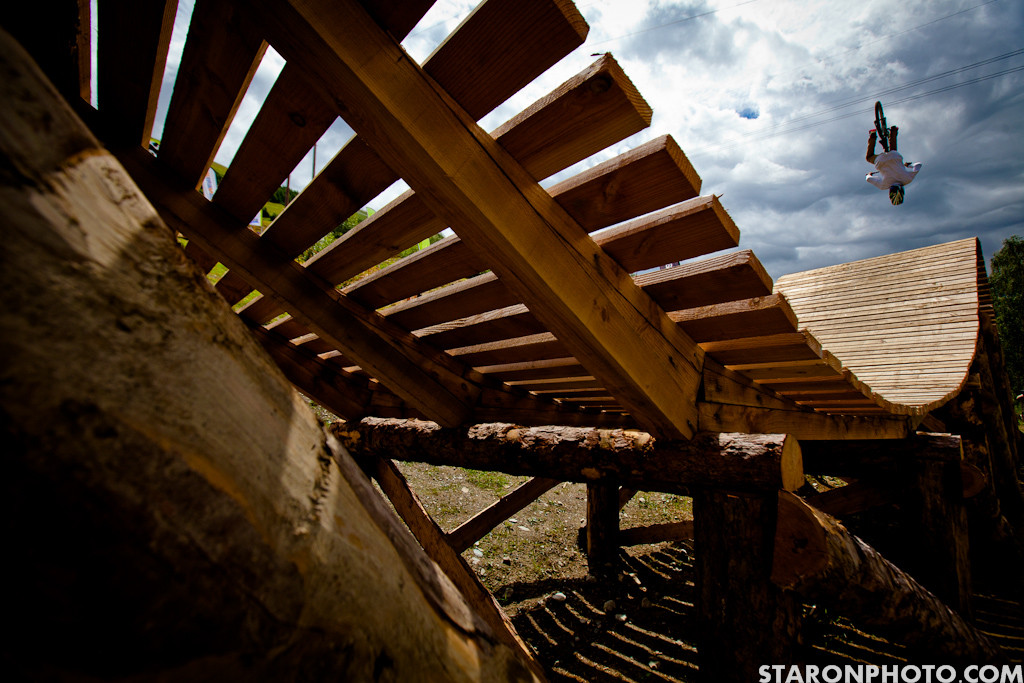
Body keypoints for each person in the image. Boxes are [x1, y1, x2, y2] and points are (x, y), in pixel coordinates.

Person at [865, 125, 921, 205]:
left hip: (895, 157)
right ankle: (873, 134)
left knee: (893, 151)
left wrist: (908, 165)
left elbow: (918, 165)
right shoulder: (883, 186)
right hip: (880, 161)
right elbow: (868, 179)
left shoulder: (908, 179)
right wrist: (869, 174)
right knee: (869, 157)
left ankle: (893, 131)